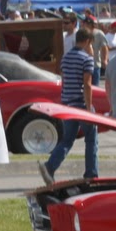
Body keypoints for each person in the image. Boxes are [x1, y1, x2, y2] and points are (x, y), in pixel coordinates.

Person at [39, 28, 99, 184]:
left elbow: (65, 80)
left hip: (67, 103)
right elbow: (87, 84)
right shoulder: (87, 59)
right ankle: (91, 174)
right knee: (91, 140)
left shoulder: (65, 58)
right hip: (81, 103)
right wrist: (89, 108)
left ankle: (50, 166)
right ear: (87, 41)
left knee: (67, 139)